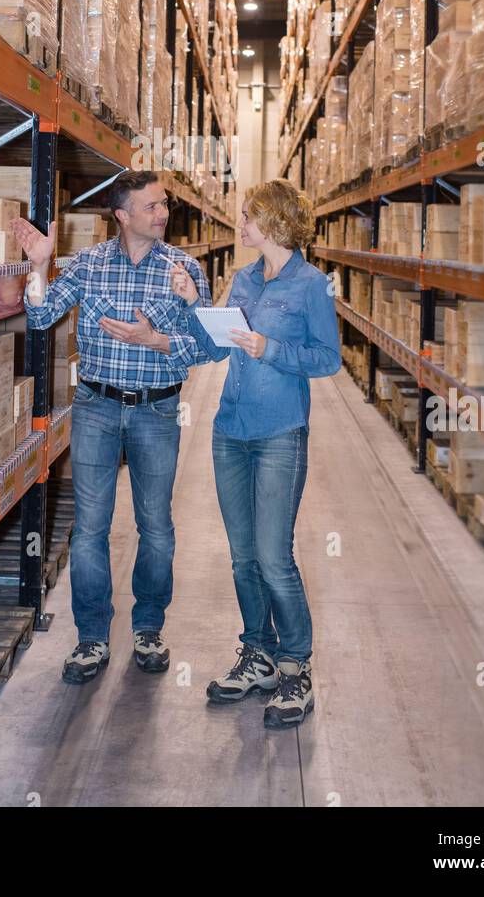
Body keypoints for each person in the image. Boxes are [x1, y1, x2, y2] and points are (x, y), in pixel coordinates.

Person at [11, 171, 211, 684]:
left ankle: (148, 628)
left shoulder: (184, 269)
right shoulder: (88, 265)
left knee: (156, 527)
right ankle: (92, 637)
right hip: (97, 408)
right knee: (91, 529)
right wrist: (38, 267)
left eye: (164, 204)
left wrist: (161, 336)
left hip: (157, 410)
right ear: (122, 216)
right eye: (150, 207)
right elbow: (40, 316)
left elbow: (211, 345)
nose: (162, 213)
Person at [170, 178, 341, 729]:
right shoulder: (243, 278)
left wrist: (271, 348)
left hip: (279, 433)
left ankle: (296, 668)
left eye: (248, 216)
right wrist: (197, 307)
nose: (240, 224)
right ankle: (259, 654)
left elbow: (327, 359)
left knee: (274, 556)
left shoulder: (311, 285)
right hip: (231, 430)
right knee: (243, 557)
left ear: (272, 222)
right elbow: (219, 346)